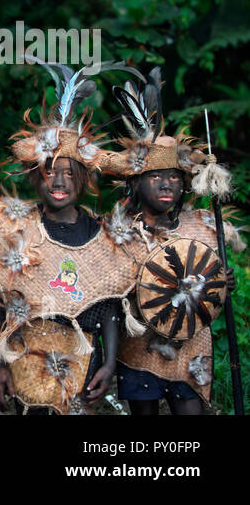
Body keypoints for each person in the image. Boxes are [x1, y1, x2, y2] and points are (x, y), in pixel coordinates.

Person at [0, 58, 145, 414]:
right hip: (26, 356)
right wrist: (0, 363)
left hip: (83, 356)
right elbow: (7, 302)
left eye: (69, 172)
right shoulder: (18, 228)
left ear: (84, 180)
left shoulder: (103, 238)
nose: (59, 181)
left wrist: (109, 364)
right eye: (49, 171)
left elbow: (109, 305)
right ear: (37, 178)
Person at [99, 68, 242, 414]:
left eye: (174, 178)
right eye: (156, 177)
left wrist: (222, 284)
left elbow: (210, 281)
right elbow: (111, 290)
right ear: (136, 184)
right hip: (139, 349)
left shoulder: (202, 226)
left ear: (184, 185)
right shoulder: (123, 232)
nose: (166, 185)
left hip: (190, 348)